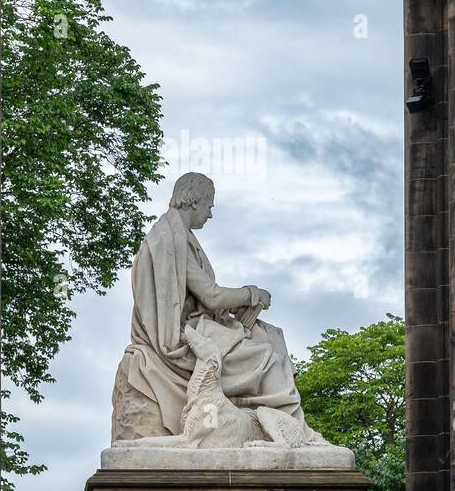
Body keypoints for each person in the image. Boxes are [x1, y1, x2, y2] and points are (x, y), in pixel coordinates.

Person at [111, 172, 322, 444]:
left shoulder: (175, 234)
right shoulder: (171, 238)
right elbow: (210, 296)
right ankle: (295, 434)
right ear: (193, 200)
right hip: (182, 336)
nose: (210, 214)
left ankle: (289, 431)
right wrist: (251, 294)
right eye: (209, 206)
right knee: (268, 355)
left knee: (269, 335)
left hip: (195, 324)